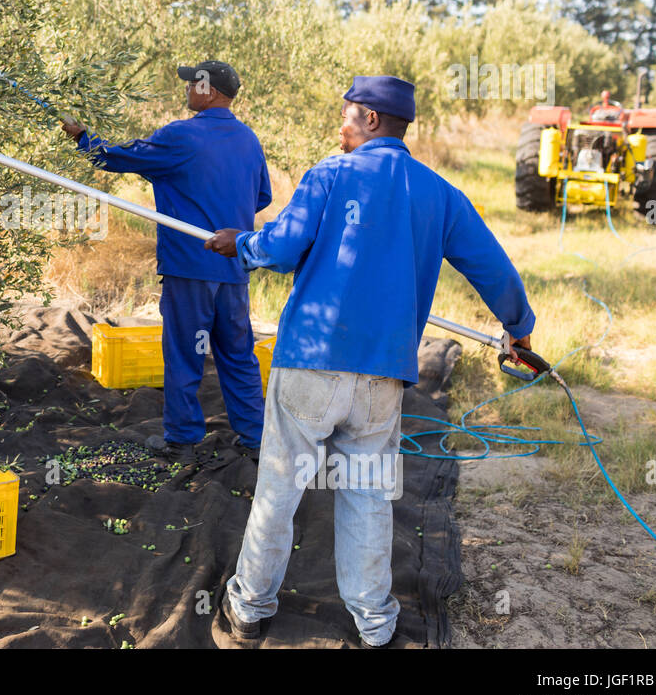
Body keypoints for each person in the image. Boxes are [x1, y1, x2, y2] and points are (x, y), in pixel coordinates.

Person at [203, 75, 536, 646]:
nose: (340, 125)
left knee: (279, 491)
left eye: (347, 115)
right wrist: (518, 329)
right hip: (383, 377)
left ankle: (249, 612)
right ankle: (375, 625)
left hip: (310, 361)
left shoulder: (331, 174)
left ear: (373, 120)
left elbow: (281, 248)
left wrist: (243, 243)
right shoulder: (440, 194)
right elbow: (492, 266)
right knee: (368, 498)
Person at [63, 61, 272, 463]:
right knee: (237, 353)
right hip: (233, 269)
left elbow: (115, 158)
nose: (188, 89)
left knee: (183, 352)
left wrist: (82, 138)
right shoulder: (248, 140)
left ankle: (182, 437)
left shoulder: (182, 134)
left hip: (189, 269)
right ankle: (255, 437)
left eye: (193, 83)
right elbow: (260, 198)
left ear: (209, 91)